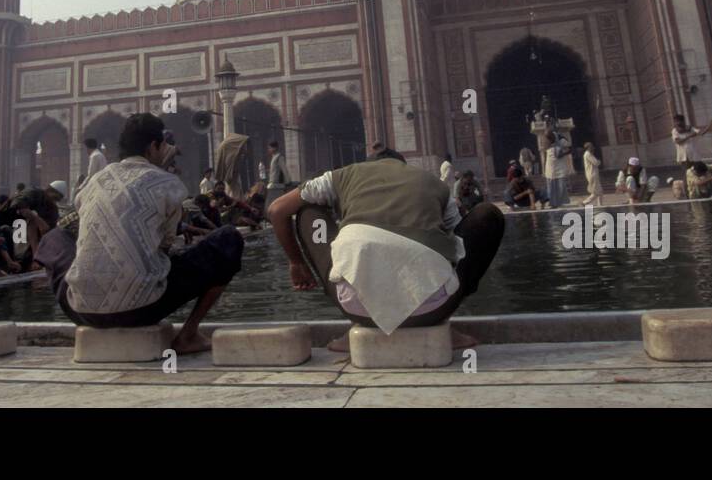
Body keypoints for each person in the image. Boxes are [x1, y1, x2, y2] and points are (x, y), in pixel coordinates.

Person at [34, 113, 242, 354]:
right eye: (162, 144)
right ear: (153, 146)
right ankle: (188, 335)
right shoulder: (169, 184)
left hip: (80, 309)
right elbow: (164, 246)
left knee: (53, 238)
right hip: (143, 308)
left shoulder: (93, 183)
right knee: (229, 238)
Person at [267, 144, 505, 350]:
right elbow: (458, 246)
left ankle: (355, 330)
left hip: (355, 307)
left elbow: (277, 210)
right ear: (404, 166)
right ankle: (444, 328)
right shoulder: (434, 183)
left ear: (368, 165)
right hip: (432, 310)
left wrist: (296, 263)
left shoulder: (342, 175)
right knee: (486, 215)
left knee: (308, 209)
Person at [544, 125, 573, 208]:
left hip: (558, 165)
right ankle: (553, 202)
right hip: (552, 165)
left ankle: (559, 202)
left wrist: (565, 152)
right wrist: (564, 152)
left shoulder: (560, 139)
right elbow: (556, 154)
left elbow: (568, 147)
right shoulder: (548, 142)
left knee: (560, 184)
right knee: (553, 184)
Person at [582, 142, 603, 207]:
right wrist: (599, 161)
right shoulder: (588, 154)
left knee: (599, 191)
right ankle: (585, 202)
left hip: (593, 174)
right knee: (596, 192)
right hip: (592, 174)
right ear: (588, 147)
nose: (593, 147)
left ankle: (600, 205)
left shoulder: (588, 154)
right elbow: (596, 163)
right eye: (591, 146)